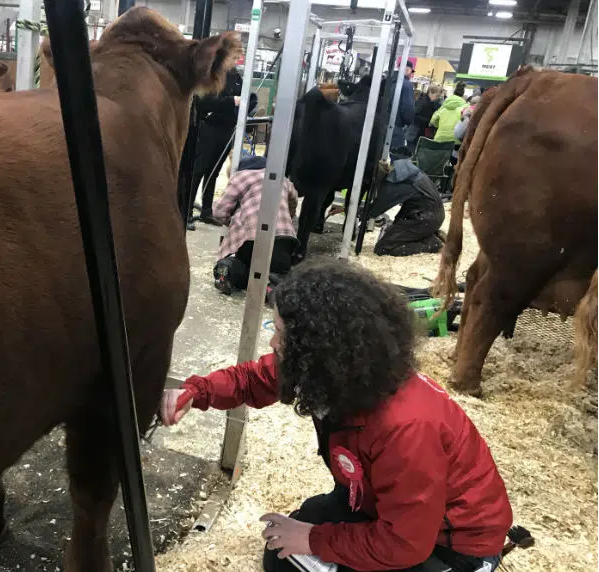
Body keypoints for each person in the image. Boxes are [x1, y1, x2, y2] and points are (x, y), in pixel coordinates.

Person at [161, 260, 513, 572]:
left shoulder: (405, 426)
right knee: (283, 550)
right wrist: (197, 392)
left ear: (319, 346)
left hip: (450, 545)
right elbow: (254, 378)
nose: (273, 344)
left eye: (281, 334)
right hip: (379, 507)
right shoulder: (340, 370)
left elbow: (406, 543)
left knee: (293, 556)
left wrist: (314, 541)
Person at [211, 155, 298, 296]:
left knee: (246, 268)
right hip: (285, 238)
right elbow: (293, 203)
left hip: (252, 237)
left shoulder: (241, 177)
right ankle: (273, 286)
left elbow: (219, 212)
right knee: (281, 272)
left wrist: (233, 220)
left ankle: (227, 271)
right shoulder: (283, 179)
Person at [187, 66, 255, 231]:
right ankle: (186, 211)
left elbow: (250, 98)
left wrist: (249, 104)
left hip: (228, 130)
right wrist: (231, 101)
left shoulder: (238, 78)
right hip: (209, 128)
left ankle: (207, 211)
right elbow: (204, 102)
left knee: (214, 171)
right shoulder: (213, 76)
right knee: (199, 170)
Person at [371, 158, 445, 256]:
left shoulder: (397, 183)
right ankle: (427, 235)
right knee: (392, 230)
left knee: (383, 248)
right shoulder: (405, 172)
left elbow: (375, 210)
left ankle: (432, 244)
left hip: (425, 218)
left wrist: (355, 211)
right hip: (430, 215)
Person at [390, 60, 416, 155]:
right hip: (396, 126)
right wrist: (408, 122)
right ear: (407, 69)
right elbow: (408, 107)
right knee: (395, 157)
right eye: (410, 71)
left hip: (382, 124)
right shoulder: (406, 85)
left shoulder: (388, 81)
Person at [406, 84, 442, 150]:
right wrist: (428, 121)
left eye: (438, 96)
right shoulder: (421, 101)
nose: (437, 98)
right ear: (430, 92)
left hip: (424, 134)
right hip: (415, 133)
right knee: (411, 154)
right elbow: (414, 116)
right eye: (437, 96)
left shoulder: (435, 104)